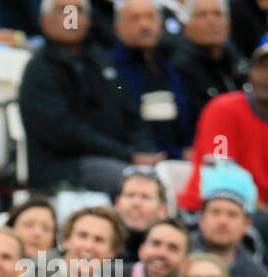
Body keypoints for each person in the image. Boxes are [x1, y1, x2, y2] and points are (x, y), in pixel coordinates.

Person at [19, 0, 158, 195]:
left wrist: (145, 150)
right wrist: (128, 155)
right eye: (63, 11)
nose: (71, 19)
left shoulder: (103, 62)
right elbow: (63, 133)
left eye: (78, 11)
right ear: (44, 20)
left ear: (89, 20)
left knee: (163, 174)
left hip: (115, 158)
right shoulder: (39, 69)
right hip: (63, 167)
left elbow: (131, 114)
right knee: (133, 182)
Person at [179, 44, 268, 218]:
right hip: (206, 208)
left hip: (256, 217)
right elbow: (220, 171)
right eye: (261, 68)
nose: (266, 77)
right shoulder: (223, 109)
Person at [109, 0, 195, 161]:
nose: (144, 25)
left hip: (180, 159)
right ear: (117, 28)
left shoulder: (169, 68)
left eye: (150, 17)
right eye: (134, 18)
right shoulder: (110, 71)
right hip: (137, 161)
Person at [173, 0, 248, 129]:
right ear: (186, 26)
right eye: (202, 15)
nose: (211, 21)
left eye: (217, 14)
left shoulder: (239, 63)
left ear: (228, 24)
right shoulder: (178, 69)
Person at [114, 168, 171, 262]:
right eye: (130, 195)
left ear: (162, 210)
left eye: (145, 197)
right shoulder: (100, 244)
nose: (136, 203)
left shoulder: (172, 246)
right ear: (117, 204)